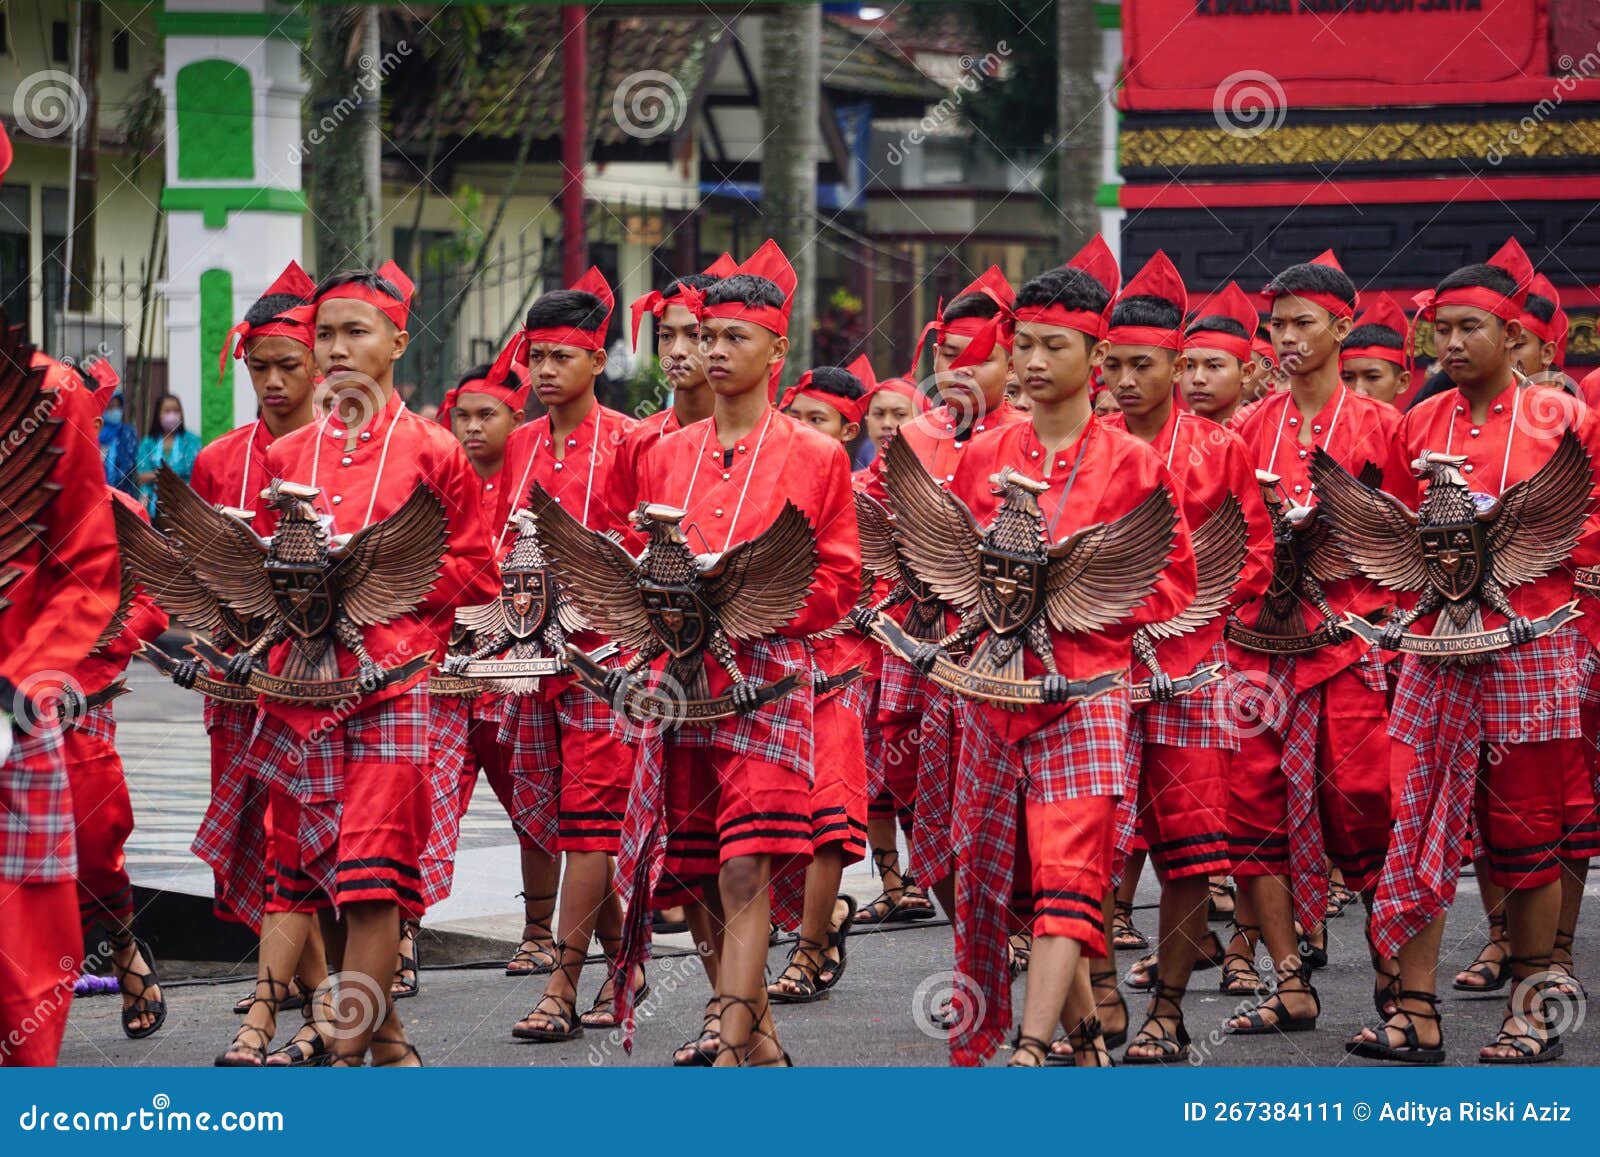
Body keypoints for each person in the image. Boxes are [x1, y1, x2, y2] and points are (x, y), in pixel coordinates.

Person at [218, 261, 497, 1067]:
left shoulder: (435, 449)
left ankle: (344, 1053)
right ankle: (388, 1040)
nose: (336, 348)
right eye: (326, 333)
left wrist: (370, 583)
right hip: (300, 684)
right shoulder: (290, 453)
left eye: (355, 331)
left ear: (398, 341)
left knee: (371, 874)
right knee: (316, 873)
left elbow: (473, 571)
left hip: (393, 684)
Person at [925, 252, 1195, 1066]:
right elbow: (958, 574)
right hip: (992, 693)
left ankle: (1031, 1047)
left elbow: (1174, 582)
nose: (1037, 363)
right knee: (1003, 877)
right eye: (1027, 346)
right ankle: (1085, 1034)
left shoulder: (1133, 463)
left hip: (1085, 691)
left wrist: (1076, 599)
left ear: (1096, 357)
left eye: (1056, 347)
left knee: (1070, 866)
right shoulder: (980, 455)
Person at [1352, 239, 1600, 1065]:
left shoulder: (1561, 417)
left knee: (1525, 830)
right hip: (1432, 647)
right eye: (1440, 331)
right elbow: (1387, 518)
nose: (1451, 345)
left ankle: (1529, 1010)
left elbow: (1594, 522)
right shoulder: (1418, 420)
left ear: (1510, 329)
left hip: (1531, 643)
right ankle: (1414, 1011)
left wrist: (1517, 545)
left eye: (1469, 328)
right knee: (1415, 817)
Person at [613, 240, 859, 1066]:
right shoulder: (662, 453)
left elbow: (840, 578)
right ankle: (754, 1032)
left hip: (767, 679)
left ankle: (733, 1040)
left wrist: (753, 599)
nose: (713, 352)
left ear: (777, 349)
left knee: (745, 865)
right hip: (678, 679)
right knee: (692, 872)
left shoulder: (818, 455)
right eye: (706, 335)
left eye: (733, 338)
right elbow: (631, 557)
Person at [1100, 254, 1274, 1061]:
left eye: (1144, 364)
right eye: (1115, 364)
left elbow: (1253, 557)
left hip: (1190, 673)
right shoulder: (1088, 448)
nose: (1127, 379)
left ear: (1176, 363)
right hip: (1097, 674)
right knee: (1094, 839)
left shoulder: (1218, 447)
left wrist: (1184, 621)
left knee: (1191, 843)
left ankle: (1169, 1010)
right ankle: (1097, 997)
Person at [1225, 251, 1400, 1037]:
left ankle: (1395, 967)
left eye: (1303, 323)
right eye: (1277, 325)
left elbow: (1412, 546)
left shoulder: (1383, 429)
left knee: (1363, 802)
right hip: (1257, 649)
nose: (1286, 338)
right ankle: (1290, 980)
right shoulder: (1245, 430)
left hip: (1348, 647)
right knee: (1250, 810)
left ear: (1342, 325)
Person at [490, 270, 647, 1042]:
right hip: (530, 665)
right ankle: (627, 963)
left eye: (561, 356)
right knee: (564, 819)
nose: (545, 370)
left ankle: (561, 983)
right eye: (535, 356)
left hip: (606, 667)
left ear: (597, 361)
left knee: (591, 824)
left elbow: (649, 548)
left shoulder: (630, 440)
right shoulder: (517, 444)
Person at [0, 120, 123, 1063]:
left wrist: (24, 683)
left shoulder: (49, 397)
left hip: (12, 712)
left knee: (22, 959)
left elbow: (89, 568)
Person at [859, 265, 1028, 935]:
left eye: (975, 359)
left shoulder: (1027, 435)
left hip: (999, 650)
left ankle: (1020, 932)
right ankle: (975, 935)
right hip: (919, 643)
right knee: (924, 794)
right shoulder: (913, 436)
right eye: (945, 356)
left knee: (1003, 796)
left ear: (1009, 357)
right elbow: (867, 516)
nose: (957, 372)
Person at [60, 378, 172, 1040]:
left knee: (96, 840)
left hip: (84, 696)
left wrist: (102, 638)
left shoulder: (120, 509)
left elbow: (156, 603)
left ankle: (125, 943)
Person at [767, 360, 877, 1002]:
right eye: (797, 416)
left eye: (819, 420)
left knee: (827, 815)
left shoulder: (865, 498)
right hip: (772, 674)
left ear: (845, 429)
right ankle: (824, 918)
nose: (804, 429)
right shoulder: (763, 488)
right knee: (772, 816)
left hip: (838, 671)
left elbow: (881, 580)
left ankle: (808, 953)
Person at [421, 362, 530, 990]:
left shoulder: (533, 487)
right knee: (425, 805)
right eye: (462, 415)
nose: (471, 428)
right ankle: (402, 937)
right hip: (442, 677)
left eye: (486, 414)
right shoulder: (435, 490)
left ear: (517, 420)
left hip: (515, 677)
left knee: (533, 809)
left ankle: (542, 932)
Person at [1180, 282, 1261, 424]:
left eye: (1214, 366)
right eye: (1189, 366)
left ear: (1246, 372)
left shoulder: (1260, 434)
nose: (1198, 379)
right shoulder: (1165, 436)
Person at [1338, 293, 1413, 407]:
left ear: (1402, 382)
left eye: (1372, 377)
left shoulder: (1413, 425)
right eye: (1347, 378)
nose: (1359, 392)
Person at [135, 392, 201, 516]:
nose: (172, 415)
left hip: (185, 508)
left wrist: (158, 475)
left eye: (176, 411)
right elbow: (142, 477)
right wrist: (170, 475)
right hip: (153, 507)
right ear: (158, 415)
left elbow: (195, 473)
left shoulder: (192, 441)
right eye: (167, 411)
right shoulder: (148, 443)